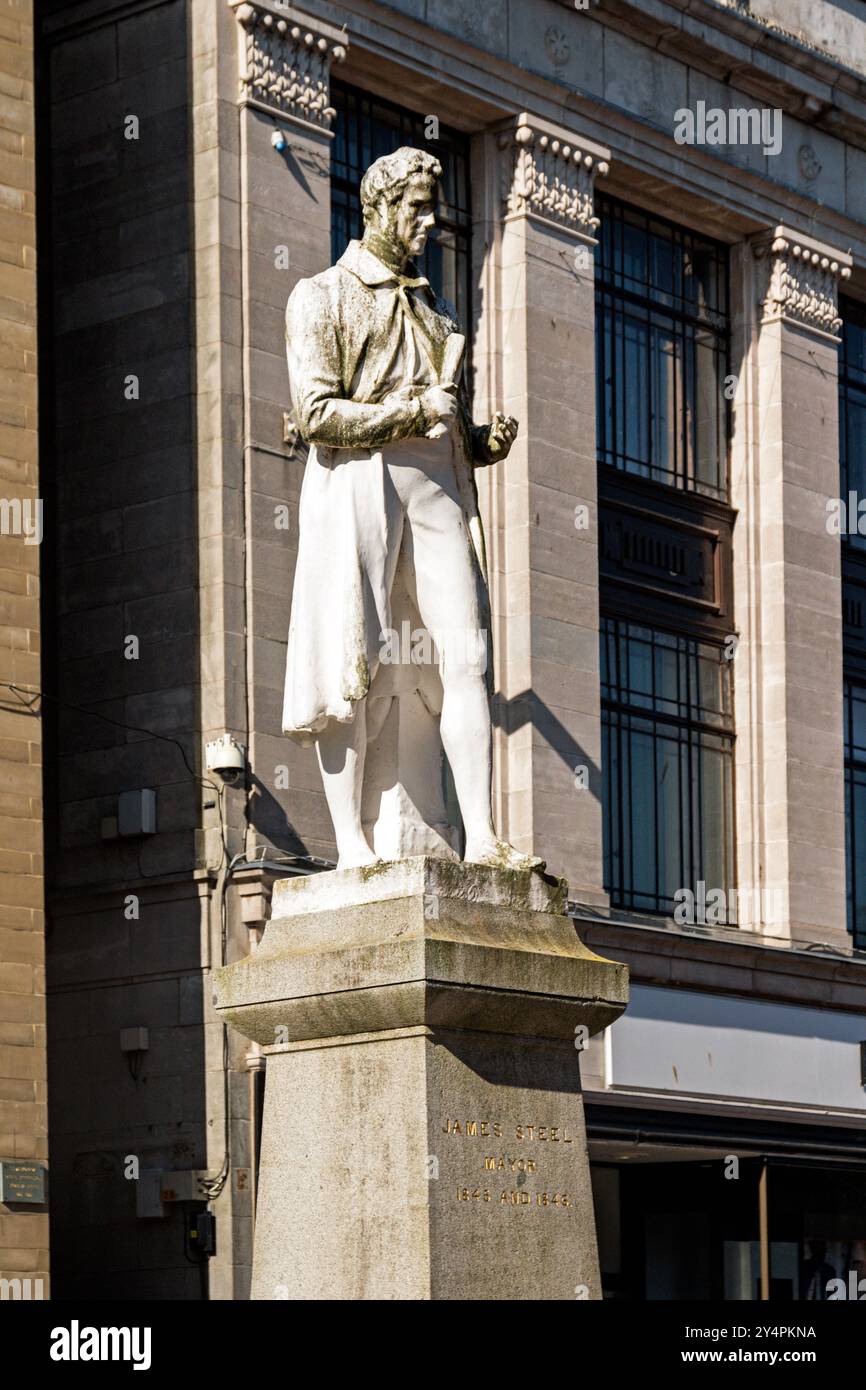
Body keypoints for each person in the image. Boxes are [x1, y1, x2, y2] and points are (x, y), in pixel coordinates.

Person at [282, 146, 542, 874]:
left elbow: (442, 418)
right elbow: (316, 415)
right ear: (379, 208)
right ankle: (351, 847)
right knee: (353, 661)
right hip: (360, 482)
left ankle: (482, 836)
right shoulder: (322, 295)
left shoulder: (437, 310)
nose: (429, 222)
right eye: (417, 208)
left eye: (433, 208)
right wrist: (410, 411)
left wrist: (478, 442)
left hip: (436, 488)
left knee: (468, 656)